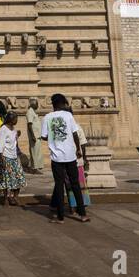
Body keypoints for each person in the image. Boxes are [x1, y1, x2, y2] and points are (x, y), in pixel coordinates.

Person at [42, 93, 89, 223]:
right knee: (75, 185)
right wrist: (78, 149)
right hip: (70, 156)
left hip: (56, 158)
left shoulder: (47, 117)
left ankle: (60, 217)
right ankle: (82, 214)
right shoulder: (68, 116)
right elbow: (75, 134)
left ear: (53, 104)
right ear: (62, 103)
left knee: (59, 185)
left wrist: (53, 135)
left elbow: (44, 136)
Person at [0, 112, 27, 205]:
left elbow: (14, 143)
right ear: (10, 119)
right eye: (15, 118)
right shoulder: (3, 129)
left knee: (19, 177)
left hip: (14, 157)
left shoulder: (13, 129)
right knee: (6, 179)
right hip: (5, 157)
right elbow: (1, 144)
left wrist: (17, 136)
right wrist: (1, 158)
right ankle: (5, 198)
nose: (16, 120)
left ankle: (15, 197)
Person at [26, 98, 43, 173]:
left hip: (37, 135)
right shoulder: (30, 112)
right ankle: (35, 168)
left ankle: (36, 167)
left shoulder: (33, 112)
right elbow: (29, 124)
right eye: (36, 104)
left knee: (37, 152)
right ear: (33, 104)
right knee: (35, 152)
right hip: (34, 136)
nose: (37, 105)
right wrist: (33, 136)